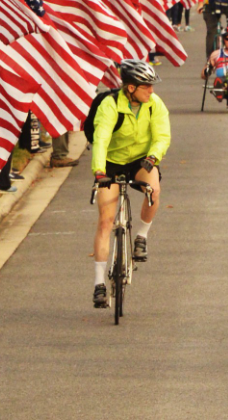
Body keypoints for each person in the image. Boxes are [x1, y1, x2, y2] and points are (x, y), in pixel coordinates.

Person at [90, 60, 171, 308]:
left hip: (141, 161)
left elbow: (162, 135)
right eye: (147, 86)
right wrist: (99, 171)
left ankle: (141, 237)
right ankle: (99, 284)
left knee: (153, 190)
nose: (152, 91)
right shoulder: (110, 105)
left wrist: (153, 157)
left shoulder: (153, 104)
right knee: (105, 221)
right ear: (131, 88)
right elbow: (101, 138)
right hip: (111, 162)